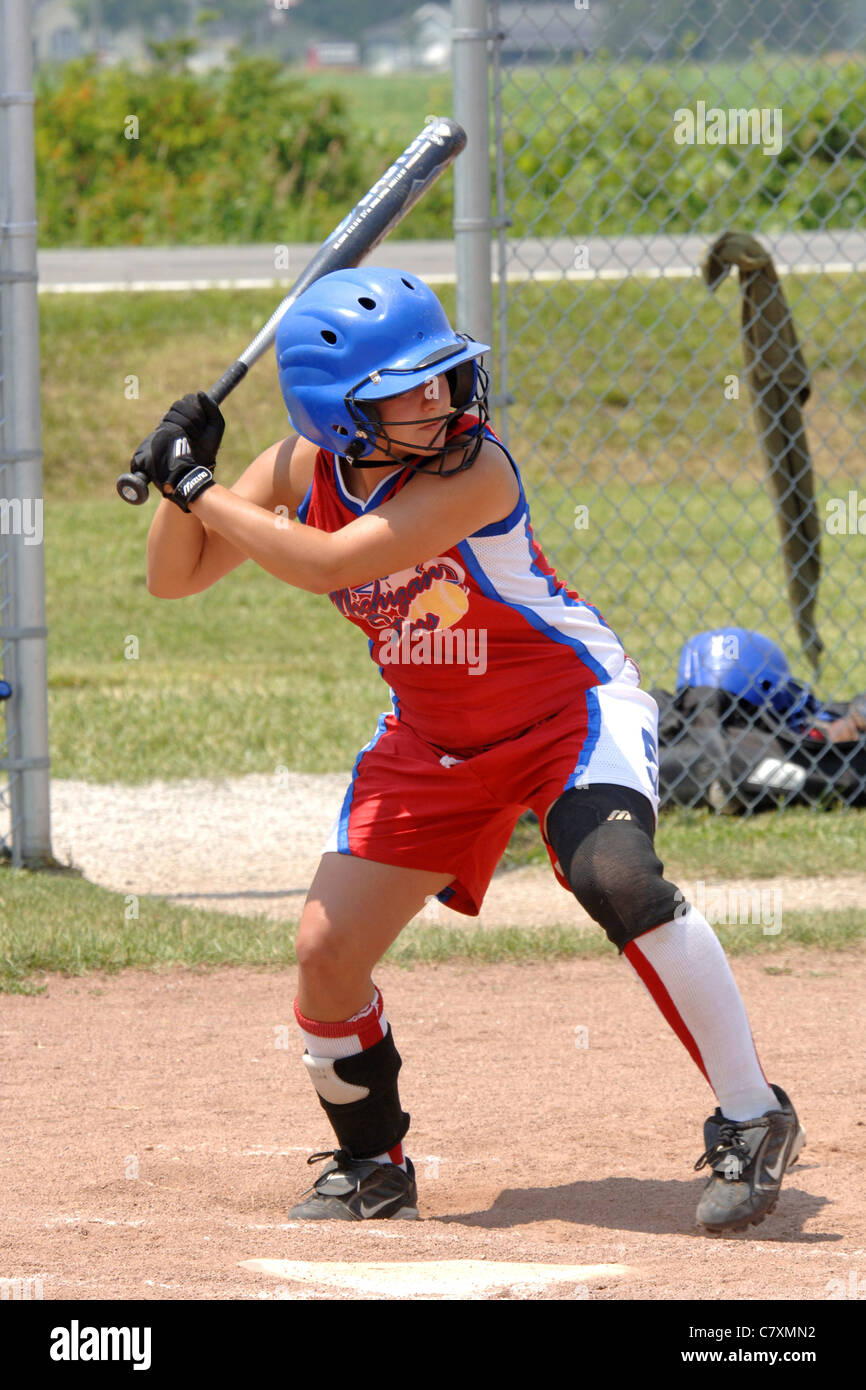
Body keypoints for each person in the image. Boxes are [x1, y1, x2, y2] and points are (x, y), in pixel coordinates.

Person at [142, 267, 804, 1235]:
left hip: (566, 709)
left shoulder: (473, 467)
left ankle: (752, 1114)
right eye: (403, 391)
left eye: (443, 376)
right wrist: (175, 485)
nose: (438, 398)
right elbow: (175, 577)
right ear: (336, 416)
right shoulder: (297, 470)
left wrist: (199, 485)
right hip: (433, 739)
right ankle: (372, 1163)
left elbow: (328, 561)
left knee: (612, 874)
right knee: (325, 954)